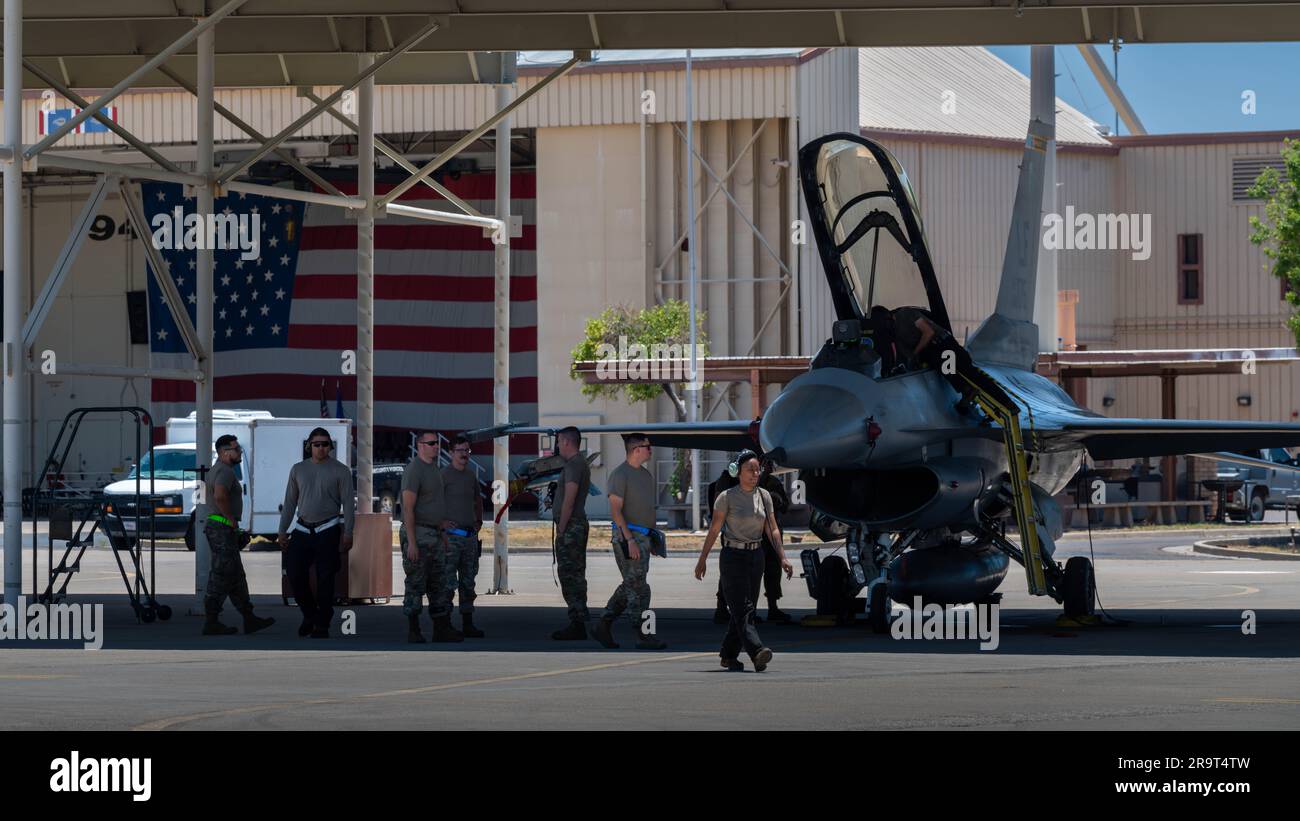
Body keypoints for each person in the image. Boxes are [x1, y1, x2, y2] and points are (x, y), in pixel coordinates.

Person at [695, 450, 793, 672]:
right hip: (732, 557)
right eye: (750, 469)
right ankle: (757, 651)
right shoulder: (726, 497)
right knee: (743, 608)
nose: (755, 473)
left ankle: (728, 655)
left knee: (745, 609)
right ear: (737, 472)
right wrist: (702, 560)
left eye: (757, 469)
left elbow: (773, 529)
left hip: (756, 556)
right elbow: (714, 530)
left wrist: (783, 557)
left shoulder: (764, 496)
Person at [277, 428, 355, 639]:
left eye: (325, 444)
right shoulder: (298, 469)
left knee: (326, 578)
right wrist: (282, 530)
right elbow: (290, 501)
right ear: (309, 446)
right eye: (317, 444)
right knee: (294, 573)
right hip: (302, 529)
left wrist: (348, 532)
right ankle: (310, 614)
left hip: (328, 528)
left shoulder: (341, 471)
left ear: (331, 446)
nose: (321, 448)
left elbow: (348, 503)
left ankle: (322, 623)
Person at [592, 433, 667, 650]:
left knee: (632, 584)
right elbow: (616, 511)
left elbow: (645, 509)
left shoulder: (645, 475)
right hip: (628, 537)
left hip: (644, 537)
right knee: (639, 587)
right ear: (636, 450)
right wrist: (630, 539)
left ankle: (603, 624)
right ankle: (643, 635)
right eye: (648, 447)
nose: (650, 450)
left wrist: (651, 539)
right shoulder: (620, 475)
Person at [202, 434, 275, 636]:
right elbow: (219, 495)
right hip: (222, 528)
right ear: (225, 452)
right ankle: (211, 621)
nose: (239, 452)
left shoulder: (217, 470)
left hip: (222, 528)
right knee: (221, 575)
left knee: (235, 576)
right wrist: (231, 519)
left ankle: (249, 618)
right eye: (236, 449)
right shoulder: (225, 472)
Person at [709, 459, 792, 625]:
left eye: (763, 466)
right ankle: (723, 608)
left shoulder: (771, 483)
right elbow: (719, 506)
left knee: (772, 571)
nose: (764, 469)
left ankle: (771, 607)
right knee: (732, 574)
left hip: (767, 536)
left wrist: (775, 499)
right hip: (739, 535)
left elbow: (784, 505)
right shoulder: (731, 482)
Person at [400, 431, 462, 644]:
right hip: (418, 534)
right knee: (416, 583)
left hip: (434, 535)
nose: (437, 446)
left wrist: (443, 531)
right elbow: (408, 508)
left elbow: (434, 504)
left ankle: (441, 629)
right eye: (432, 443)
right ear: (420, 445)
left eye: (438, 443)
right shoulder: (414, 470)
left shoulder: (433, 469)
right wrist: (412, 543)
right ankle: (414, 629)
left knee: (440, 584)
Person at [440, 434, 485, 638]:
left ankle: (468, 623)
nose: (464, 454)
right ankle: (446, 624)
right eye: (460, 451)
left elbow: (477, 499)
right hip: (451, 537)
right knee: (448, 584)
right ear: (451, 453)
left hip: (469, 538)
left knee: (468, 583)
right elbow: (432, 502)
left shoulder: (470, 476)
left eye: (467, 450)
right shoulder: (443, 476)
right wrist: (440, 524)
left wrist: (479, 522)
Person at [550, 426, 591, 640]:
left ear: (566, 442)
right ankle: (579, 619)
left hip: (571, 525)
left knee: (570, 574)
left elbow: (570, 500)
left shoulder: (574, 465)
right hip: (575, 524)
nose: (557, 446)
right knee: (575, 573)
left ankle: (578, 621)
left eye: (558, 441)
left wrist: (562, 528)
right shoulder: (576, 464)